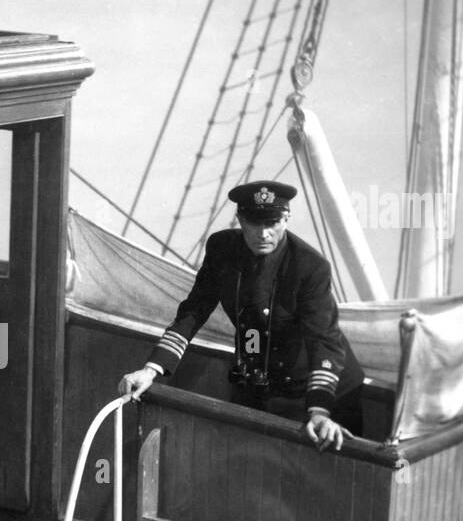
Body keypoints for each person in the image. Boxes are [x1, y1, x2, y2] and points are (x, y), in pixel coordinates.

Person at [120, 180, 364, 452]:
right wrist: (151, 370)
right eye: (254, 222)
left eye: (271, 223)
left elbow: (325, 342)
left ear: (286, 219)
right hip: (258, 379)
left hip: (320, 390)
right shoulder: (222, 249)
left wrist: (320, 411)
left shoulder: (310, 267)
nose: (263, 233)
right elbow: (194, 310)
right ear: (240, 220)